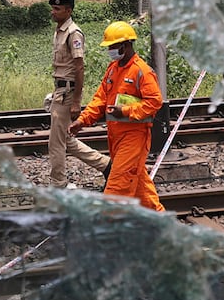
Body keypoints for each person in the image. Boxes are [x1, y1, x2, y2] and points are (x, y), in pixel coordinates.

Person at [69, 20, 165, 212]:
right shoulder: (113, 69)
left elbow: (154, 102)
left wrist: (126, 111)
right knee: (139, 187)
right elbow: (100, 99)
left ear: (126, 45)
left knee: (117, 187)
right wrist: (83, 120)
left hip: (134, 137)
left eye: (113, 46)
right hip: (116, 137)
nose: (111, 50)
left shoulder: (141, 71)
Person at [47, 0, 112, 189]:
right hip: (60, 90)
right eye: (53, 8)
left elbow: (79, 67)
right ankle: (106, 165)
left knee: (56, 143)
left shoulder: (73, 33)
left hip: (67, 92)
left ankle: (58, 184)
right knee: (66, 139)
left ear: (69, 10)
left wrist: (76, 101)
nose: (53, 12)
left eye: (58, 9)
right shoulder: (59, 31)